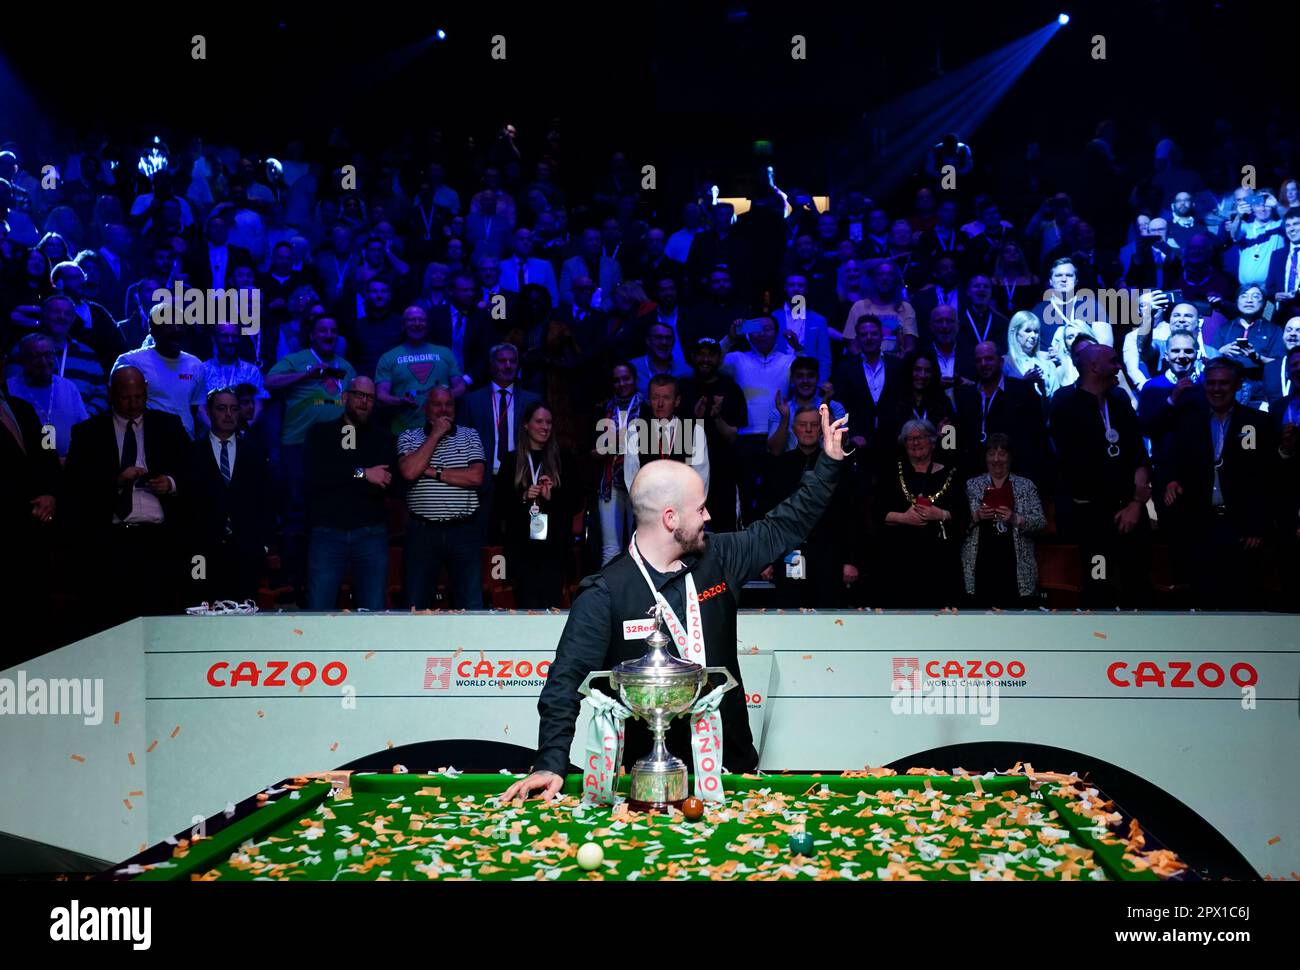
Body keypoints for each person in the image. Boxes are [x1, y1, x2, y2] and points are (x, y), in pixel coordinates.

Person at [502, 403, 850, 802]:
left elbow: (785, 524)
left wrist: (829, 461)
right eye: (699, 508)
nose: (708, 515)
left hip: (732, 776)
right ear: (670, 518)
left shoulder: (719, 557)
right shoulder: (606, 592)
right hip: (646, 787)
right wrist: (550, 762)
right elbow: (564, 682)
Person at [63, 366, 190, 627]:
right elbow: (75, 489)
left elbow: (195, 475)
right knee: (113, 621)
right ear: (111, 394)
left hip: (159, 538)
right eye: (125, 397)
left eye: (139, 397)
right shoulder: (88, 433)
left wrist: (171, 483)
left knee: (159, 621)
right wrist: (117, 481)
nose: (133, 404)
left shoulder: (169, 425)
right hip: (111, 540)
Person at [1162, 358, 1275, 609]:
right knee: (1202, 599)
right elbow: (1171, 459)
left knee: (1241, 600)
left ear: (1237, 386)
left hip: (1242, 530)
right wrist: (1172, 480)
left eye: (1223, 383)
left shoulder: (1257, 423)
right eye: (1211, 383)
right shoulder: (1189, 422)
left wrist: (1257, 525)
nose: (1216, 389)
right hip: (1200, 527)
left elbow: (1265, 479)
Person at [1048, 343, 1152, 608]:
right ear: (1094, 366)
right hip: (1093, 523)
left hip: (1132, 517)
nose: (1119, 366)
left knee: (1138, 590)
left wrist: (1135, 504)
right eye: (1114, 361)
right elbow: (1077, 470)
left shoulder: (1120, 402)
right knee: (1098, 588)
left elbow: (1139, 456)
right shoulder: (1065, 408)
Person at [304, 376, 396, 611]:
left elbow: (386, 481)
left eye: (370, 398)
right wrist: (363, 473)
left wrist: (347, 473)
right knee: (318, 611)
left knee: (373, 612)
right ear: (345, 397)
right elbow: (320, 474)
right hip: (328, 534)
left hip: (370, 534)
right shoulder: (321, 433)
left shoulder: (383, 438)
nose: (365, 402)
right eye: (359, 395)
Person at [397, 386, 486, 609]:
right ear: (426, 408)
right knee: (416, 604)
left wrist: (430, 471)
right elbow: (409, 471)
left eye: (449, 404)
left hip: (463, 531)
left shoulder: (469, 435)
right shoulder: (409, 436)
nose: (444, 409)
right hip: (423, 532)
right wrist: (435, 434)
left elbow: (475, 477)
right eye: (437, 404)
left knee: (471, 604)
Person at [183, 387, 274, 604]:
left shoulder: (255, 452)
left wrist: (264, 545)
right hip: (202, 554)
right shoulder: (191, 453)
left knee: (244, 616)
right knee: (201, 613)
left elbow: (267, 501)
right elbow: (184, 506)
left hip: (245, 552)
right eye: (222, 408)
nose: (228, 414)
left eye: (234, 408)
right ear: (209, 412)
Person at [760, 404, 856, 608]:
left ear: (821, 429)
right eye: (803, 425)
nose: (809, 429)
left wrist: (850, 559)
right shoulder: (779, 465)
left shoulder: (838, 464)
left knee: (828, 609)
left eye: (814, 425)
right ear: (794, 429)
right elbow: (767, 513)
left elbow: (848, 514)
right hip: (788, 551)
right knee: (789, 608)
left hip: (828, 551)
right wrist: (765, 558)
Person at [877, 419, 966, 608]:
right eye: (910, 439)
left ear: (933, 441)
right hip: (900, 562)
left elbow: (964, 514)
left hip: (940, 563)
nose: (915, 442)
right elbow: (876, 513)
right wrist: (904, 518)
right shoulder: (890, 472)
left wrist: (940, 514)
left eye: (921, 437)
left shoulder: (951, 473)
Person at [494, 401, 572, 608]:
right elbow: (499, 505)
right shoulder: (511, 460)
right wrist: (523, 496)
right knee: (525, 603)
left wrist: (551, 498)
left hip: (554, 548)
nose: (544, 427)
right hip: (522, 547)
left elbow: (576, 504)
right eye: (539, 421)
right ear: (526, 425)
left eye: (548, 422)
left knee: (552, 604)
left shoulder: (563, 458)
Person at [960, 433, 1046, 608]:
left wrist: (1015, 518)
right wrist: (976, 516)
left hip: (1016, 569)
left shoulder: (1026, 486)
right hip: (980, 567)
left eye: (1002, 454)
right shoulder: (971, 485)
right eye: (991, 454)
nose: (996, 459)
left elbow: (1041, 523)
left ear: (1010, 457)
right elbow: (957, 524)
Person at [677, 337, 746, 532]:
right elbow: (675, 436)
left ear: (719, 358)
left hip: (723, 472)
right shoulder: (682, 387)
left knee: (724, 531)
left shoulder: (731, 389)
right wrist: (694, 417)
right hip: (688, 471)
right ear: (693, 357)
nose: (705, 359)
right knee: (689, 531)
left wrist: (716, 417)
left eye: (711, 355)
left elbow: (733, 437)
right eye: (701, 354)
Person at [111, 313, 207, 439]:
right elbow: (117, 403)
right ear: (154, 331)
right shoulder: (131, 361)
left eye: (179, 325)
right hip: (146, 440)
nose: (176, 330)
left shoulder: (195, 365)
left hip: (186, 442)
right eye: (169, 325)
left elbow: (199, 409)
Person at [375, 305, 465, 435]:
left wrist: (443, 398)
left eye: (421, 320)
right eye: (412, 320)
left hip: (443, 429)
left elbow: (460, 387)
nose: (417, 324)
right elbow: (381, 395)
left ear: (427, 324)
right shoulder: (388, 358)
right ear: (403, 325)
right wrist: (400, 401)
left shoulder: (445, 353)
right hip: (405, 431)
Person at [6, 332, 87, 458]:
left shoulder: (68, 387)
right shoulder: (9, 389)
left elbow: (84, 431)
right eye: (36, 356)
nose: (43, 362)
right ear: (23, 359)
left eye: (48, 355)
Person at [593, 361, 642, 564]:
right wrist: (607, 447)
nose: (622, 383)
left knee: (639, 548)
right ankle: (608, 595)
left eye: (626, 378)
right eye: (617, 380)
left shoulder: (646, 408)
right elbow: (592, 452)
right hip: (610, 482)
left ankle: (639, 594)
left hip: (639, 483)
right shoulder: (602, 409)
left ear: (635, 380)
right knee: (610, 549)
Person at [768, 355, 845, 455]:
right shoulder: (780, 411)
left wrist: (825, 408)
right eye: (800, 376)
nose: (805, 381)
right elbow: (775, 451)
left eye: (810, 376)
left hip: (825, 467)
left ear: (817, 379)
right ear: (792, 380)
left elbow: (840, 444)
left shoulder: (835, 407)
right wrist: (785, 418)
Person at [1003, 311, 1060, 398]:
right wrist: (1024, 383)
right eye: (1028, 331)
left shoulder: (1048, 365)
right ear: (1015, 332)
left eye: (1036, 331)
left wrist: (1043, 388)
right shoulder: (1003, 363)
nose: (1033, 335)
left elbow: (1055, 400)